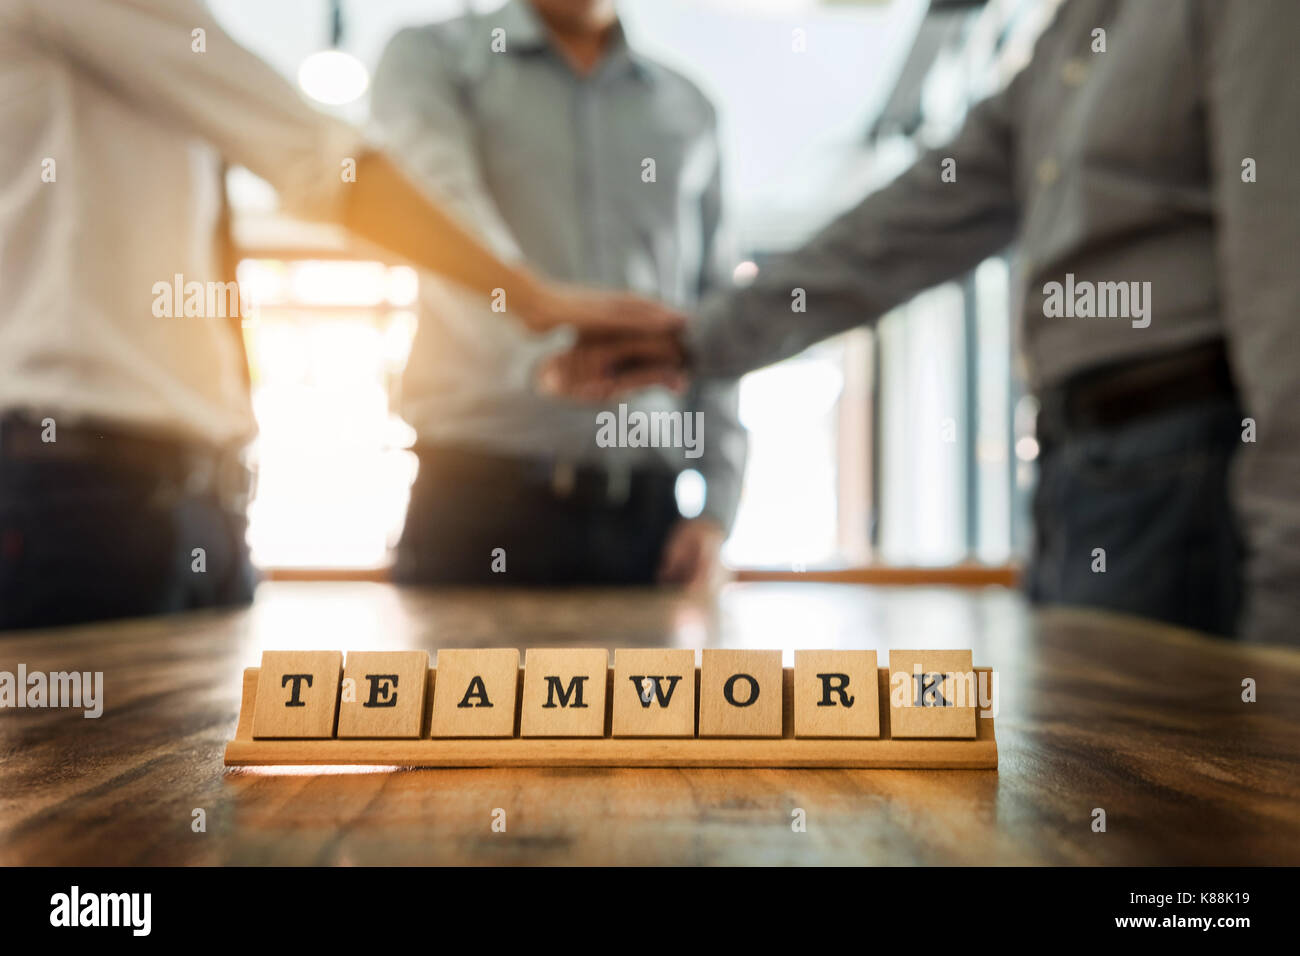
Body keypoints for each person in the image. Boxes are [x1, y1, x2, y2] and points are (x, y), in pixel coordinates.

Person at [541, 0, 1300, 642]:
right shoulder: (1065, 42)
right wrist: (695, 339)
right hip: (1082, 476)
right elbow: (904, 227)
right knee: (1107, 788)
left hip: (1202, 468)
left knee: (1178, 797)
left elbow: (1284, 289)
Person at [0, 0, 681, 630]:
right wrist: (530, 297)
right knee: (93, 758)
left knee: (199, 757)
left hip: (179, 490)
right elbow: (321, 161)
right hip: (82, 487)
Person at [370, 0, 746, 588]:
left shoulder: (689, 108)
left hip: (647, 520)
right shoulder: (434, 59)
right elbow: (444, 217)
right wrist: (542, 357)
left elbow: (713, 310)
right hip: (476, 504)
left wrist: (718, 507)